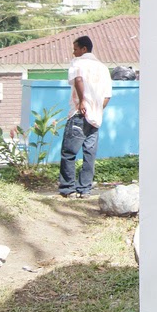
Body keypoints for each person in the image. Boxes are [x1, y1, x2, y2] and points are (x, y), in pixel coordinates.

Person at [58, 36, 112, 198]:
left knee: (68, 152)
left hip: (78, 114)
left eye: (75, 49)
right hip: (95, 118)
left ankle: (68, 189)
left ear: (84, 49)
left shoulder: (78, 63)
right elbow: (107, 95)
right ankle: (85, 190)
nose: (73, 53)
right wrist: (96, 109)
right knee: (89, 154)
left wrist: (82, 102)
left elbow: (78, 79)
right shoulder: (103, 68)